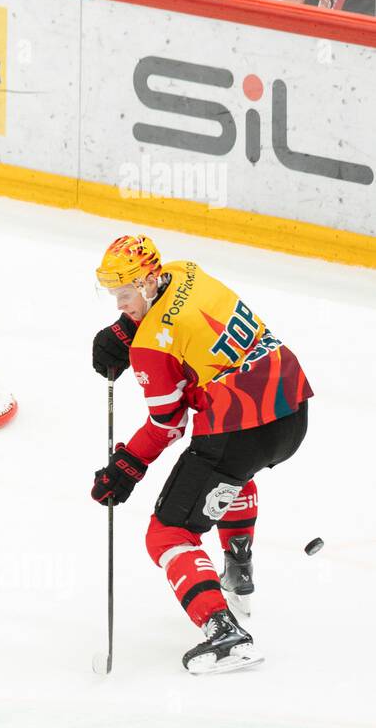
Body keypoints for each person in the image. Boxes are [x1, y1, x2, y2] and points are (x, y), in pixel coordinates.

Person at [90, 236, 312, 674]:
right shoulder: (187, 270)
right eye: (116, 295)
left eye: (127, 294)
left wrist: (127, 466)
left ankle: (222, 630)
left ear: (151, 280)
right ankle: (238, 567)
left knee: (167, 535)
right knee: (234, 475)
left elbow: (167, 425)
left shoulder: (151, 347)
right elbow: (183, 321)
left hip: (240, 430)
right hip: (293, 410)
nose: (121, 304)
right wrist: (126, 328)